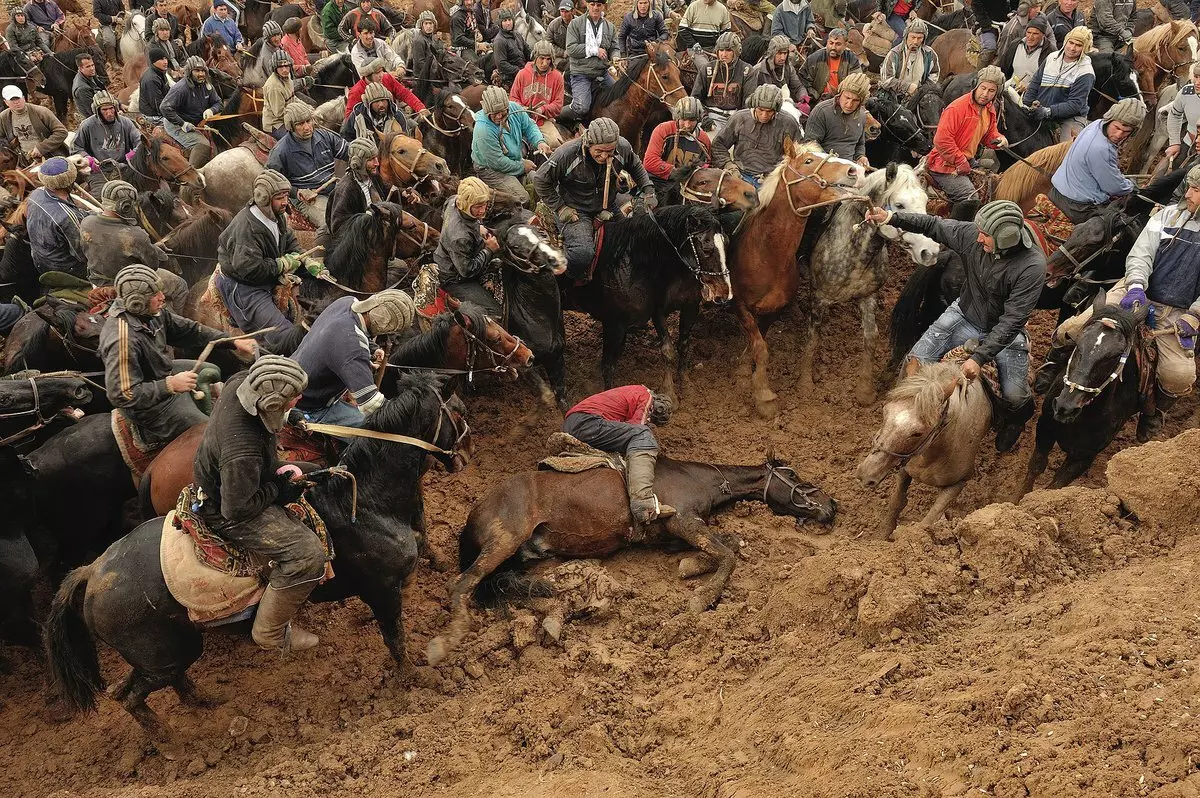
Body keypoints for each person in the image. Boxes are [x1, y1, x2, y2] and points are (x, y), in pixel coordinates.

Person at [1038, 165, 1200, 441]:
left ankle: (1152, 412)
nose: (1188, 194)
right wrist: (1136, 285)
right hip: (1136, 290)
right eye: (1190, 187)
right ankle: (1052, 365)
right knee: (1073, 327)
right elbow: (1141, 254)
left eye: (1196, 190)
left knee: (1179, 376)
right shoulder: (1166, 216)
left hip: (1177, 311)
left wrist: (1195, 314)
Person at [864, 199, 1044, 442]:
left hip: (1004, 333)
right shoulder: (973, 236)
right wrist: (890, 217)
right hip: (963, 314)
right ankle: (904, 417)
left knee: (1015, 397)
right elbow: (934, 225)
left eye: (986, 235)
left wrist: (979, 357)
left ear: (1007, 239)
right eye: (979, 232)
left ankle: (1012, 425)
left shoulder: (1032, 267)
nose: (979, 239)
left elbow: (1013, 320)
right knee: (913, 363)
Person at [192, 355, 324, 653]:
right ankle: (270, 632)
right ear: (272, 402)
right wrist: (279, 488)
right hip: (226, 506)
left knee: (316, 469)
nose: (299, 399)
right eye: (293, 398)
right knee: (307, 554)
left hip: (246, 470)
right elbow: (235, 508)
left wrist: (291, 416)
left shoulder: (242, 382)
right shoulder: (243, 450)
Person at [99, 264, 252, 449]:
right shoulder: (121, 340)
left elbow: (190, 330)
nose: (163, 297)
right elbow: (123, 394)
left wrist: (232, 341)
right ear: (137, 302)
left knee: (211, 370)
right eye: (156, 295)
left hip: (162, 373)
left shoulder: (151, 313)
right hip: (151, 406)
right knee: (212, 434)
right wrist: (170, 385)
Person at [532, 117, 657, 281]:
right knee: (582, 254)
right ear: (588, 143)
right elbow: (540, 179)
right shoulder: (567, 154)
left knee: (634, 239)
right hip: (575, 209)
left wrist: (648, 190)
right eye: (599, 151)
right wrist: (560, 207)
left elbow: (636, 166)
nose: (604, 156)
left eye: (610, 151)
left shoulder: (622, 147)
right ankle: (567, 284)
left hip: (607, 206)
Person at [215, 169, 317, 355]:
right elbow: (248, 269)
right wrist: (282, 265)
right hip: (244, 287)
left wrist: (307, 260)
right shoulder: (247, 227)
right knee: (282, 335)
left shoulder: (276, 216)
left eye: (286, 196)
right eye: (279, 197)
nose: (285, 202)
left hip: (266, 277)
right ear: (263, 198)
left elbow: (290, 241)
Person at [292, 291, 417, 427]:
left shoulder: (346, 302)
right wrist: (404, 419)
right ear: (384, 324)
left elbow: (353, 330)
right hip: (308, 405)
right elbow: (371, 404)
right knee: (373, 433)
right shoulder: (353, 348)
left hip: (294, 374)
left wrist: (373, 349)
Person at [562, 384, 676, 529]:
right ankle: (643, 502)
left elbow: (625, 427)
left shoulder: (633, 391)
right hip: (588, 422)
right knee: (643, 435)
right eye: (651, 418)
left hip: (575, 422)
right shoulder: (646, 398)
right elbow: (638, 426)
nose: (649, 420)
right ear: (655, 408)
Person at [1047, 97, 1144, 223]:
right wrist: (1131, 186)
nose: (1119, 135)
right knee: (1122, 225)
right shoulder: (1101, 148)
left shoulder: (1095, 124)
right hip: (1078, 208)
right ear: (1110, 119)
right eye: (1117, 128)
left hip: (1057, 192)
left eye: (1126, 132)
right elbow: (1114, 187)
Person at [926, 66, 1009, 208]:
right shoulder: (957, 108)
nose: (985, 94)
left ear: (997, 93)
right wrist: (959, 161)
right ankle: (955, 228)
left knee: (994, 188)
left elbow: (989, 134)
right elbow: (941, 140)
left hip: (968, 160)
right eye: (983, 88)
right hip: (944, 164)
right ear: (976, 85)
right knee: (969, 198)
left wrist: (1000, 139)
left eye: (991, 91)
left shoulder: (989, 109)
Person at [267, 102, 350, 234]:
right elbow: (271, 182)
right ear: (291, 127)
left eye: (308, 121)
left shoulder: (325, 136)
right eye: (300, 124)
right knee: (333, 221)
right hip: (309, 199)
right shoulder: (281, 151)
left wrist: (361, 152)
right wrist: (297, 192)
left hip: (334, 189)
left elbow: (348, 151)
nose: (307, 127)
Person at [471, 85, 552, 207]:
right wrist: (521, 166)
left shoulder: (514, 108)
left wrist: (539, 141)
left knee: (541, 184)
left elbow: (529, 125)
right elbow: (497, 162)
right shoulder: (483, 130)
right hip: (491, 169)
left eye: (502, 112)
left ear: (507, 107)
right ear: (486, 110)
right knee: (521, 199)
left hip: (514, 159)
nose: (499, 116)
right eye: (494, 113)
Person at [433, 177, 503, 315]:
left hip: (456, 254)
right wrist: (489, 250)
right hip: (454, 278)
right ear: (465, 204)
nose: (483, 211)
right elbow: (467, 270)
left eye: (485, 204)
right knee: (495, 312)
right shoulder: (459, 237)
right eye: (478, 207)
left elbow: (445, 211)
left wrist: (478, 226)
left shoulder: (454, 200)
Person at [710, 84, 801, 189]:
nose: (764, 115)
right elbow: (718, 145)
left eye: (769, 111)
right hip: (741, 175)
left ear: (776, 109)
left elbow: (798, 154)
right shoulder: (740, 118)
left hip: (772, 179)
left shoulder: (788, 123)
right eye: (760, 110)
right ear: (753, 105)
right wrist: (729, 165)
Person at [79, 181, 171, 284]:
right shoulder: (137, 236)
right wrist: (149, 249)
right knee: (180, 285)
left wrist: (153, 247)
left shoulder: (86, 222)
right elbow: (153, 266)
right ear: (125, 206)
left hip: (97, 279)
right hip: (127, 283)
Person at [1022, 25, 1095, 143]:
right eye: (1071, 42)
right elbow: (1035, 82)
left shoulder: (1086, 71)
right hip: (1041, 109)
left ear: (1085, 48)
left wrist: (1048, 111)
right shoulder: (1051, 58)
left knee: (1064, 150)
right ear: (1066, 42)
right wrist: (1026, 105)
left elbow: (1075, 104)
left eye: (1078, 45)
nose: (1072, 48)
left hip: (1070, 118)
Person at [160, 55, 221, 186]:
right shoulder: (180, 88)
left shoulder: (207, 85)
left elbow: (218, 103)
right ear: (189, 72)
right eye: (197, 71)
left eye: (203, 70)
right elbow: (164, 108)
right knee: (203, 144)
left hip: (197, 122)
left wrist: (211, 110)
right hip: (176, 124)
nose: (201, 74)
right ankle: (190, 179)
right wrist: (182, 123)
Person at [26, 157, 89, 280]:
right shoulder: (66, 217)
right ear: (71, 177)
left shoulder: (35, 194)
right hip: (64, 268)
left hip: (40, 259)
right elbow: (82, 254)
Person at [644, 95, 713, 199]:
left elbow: (708, 164)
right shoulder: (663, 130)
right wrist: (680, 173)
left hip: (688, 186)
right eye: (683, 119)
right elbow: (650, 162)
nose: (687, 125)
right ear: (676, 117)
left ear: (698, 120)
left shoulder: (704, 140)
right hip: (659, 182)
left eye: (692, 120)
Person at [71, 91, 140, 191]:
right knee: (101, 195)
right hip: (99, 170)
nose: (109, 113)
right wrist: (88, 159)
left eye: (111, 108)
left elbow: (140, 142)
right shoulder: (87, 126)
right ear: (97, 111)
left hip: (124, 166)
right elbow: (76, 147)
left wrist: (133, 154)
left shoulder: (126, 123)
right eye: (104, 110)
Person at [563, 0, 617, 124]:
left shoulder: (610, 27)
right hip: (581, 73)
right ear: (587, 5)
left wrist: (616, 57)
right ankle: (558, 116)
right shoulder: (575, 24)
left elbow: (615, 47)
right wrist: (594, 50)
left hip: (602, 72)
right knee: (582, 107)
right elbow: (571, 49)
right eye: (592, 4)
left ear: (603, 6)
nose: (595, 8)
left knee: (620, 96)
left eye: (599, 5)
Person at [802, 71, 870, 167]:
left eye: (855, 100)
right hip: (823, 167)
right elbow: (810, 144)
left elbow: (860, 143)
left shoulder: (861, 116)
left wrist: (860, 156)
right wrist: (831, 162)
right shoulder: (822, 111)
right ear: (840, 93)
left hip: (850, 167)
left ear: (861, 102)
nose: (849, 104)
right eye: (847, 97)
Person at [691, 31, 751, 135]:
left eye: (728, 50)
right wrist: (704, 118)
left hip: (736, 118)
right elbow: (695, 98)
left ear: (737, 51)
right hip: (711, 117)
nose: (723, 54)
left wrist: (741, 121)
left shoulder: (747, 70)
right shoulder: (707, 69)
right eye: (721, 50)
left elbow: (749, 101)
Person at [326, 137, 385, 235]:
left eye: (376, 157)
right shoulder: (346, 190)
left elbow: (385, 188)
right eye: (371, 159)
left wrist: (402, 193)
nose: (377, 163)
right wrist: (366, 219)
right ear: (357, 162)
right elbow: (338, 226)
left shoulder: (373, 176)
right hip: (361, 237)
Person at [343, 57, 427, 122]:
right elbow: (350, 116)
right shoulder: (356, 91)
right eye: (377, 73)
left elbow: (405, 94)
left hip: (394, 117)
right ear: (368, 75)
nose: (381, 75)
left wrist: (420, 108)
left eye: (381, 71)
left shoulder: (387, 78)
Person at [510, 39, 566, 136]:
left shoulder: (557, 77)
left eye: (548, 59)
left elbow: (558, 104)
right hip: (522, 119)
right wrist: (523, 108)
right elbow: (513, 98)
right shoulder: (522, 74)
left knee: (554, 143)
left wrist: (542, 109)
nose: (545, 63)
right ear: (535, 57)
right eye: (542, 58)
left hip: (543, 120)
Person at [0, 84, 67, 164]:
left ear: (23, 98)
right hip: (22, 161)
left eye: (18, 98)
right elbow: (1, 138)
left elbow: (62, 132)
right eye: (12, 100)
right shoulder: (4, 117)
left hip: (50, 156)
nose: (16, 102)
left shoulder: (41, 112)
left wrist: (42, 148)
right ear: (6, 102)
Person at [744, 35, 810, 113]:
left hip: (786, 106)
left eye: (785, 53)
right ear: (772, 53)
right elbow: (749, 98)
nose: (783, 57)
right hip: (765, 110)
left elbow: (798, 87)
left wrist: (803, 97)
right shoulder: (757, 70)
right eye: (779, 53)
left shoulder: (788, 68)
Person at [879, 18, 939, 96]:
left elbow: (934, 74)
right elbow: (886, 80)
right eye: (913, 37)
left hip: (919, 95)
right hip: (895, 95)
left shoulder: (929, 54)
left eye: (919, 38)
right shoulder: (894, 54)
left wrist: (922, 90)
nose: (915, 41)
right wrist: (907, 87)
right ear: (906, 36)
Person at [262, 51, 314, 138]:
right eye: (280, 67)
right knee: (297, 139)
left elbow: (293, 98)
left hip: (289, 114)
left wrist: (307, 107)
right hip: (276, 124)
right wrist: (301, 114)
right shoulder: (274, 87)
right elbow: (279, 113)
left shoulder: (287, 76)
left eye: (286, 66)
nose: (284, 69)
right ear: (275, 68)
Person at [804, 28, 863, 102]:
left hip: (844, 101)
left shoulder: (851, 58)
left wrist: (841, 96)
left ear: (845, 45)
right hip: (818, 101)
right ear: (827, 42)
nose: (833, 47)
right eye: (831, 43)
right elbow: (803, 81)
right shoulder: (814, 58)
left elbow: (858, 82)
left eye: (838, 44)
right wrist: (816, 96)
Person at [341, 81, 411, 141]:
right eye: (376, 102)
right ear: (368, 104)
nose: (381, 104)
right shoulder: (357, 116)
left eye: (384, 100)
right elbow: (346, 138)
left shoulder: (397, 116)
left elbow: (405, 140)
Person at [999, 15, 1052, 93]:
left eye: (1035, 34)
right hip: (1010, 90)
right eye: (1028, 32)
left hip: (1032, 94)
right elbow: (1003, 67)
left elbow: (1049, 81)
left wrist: (1030, 87)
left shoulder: (1050, 51)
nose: (1030, 37)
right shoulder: (1015, 44)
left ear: (1043, 35)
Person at [409, 10, 451, 107]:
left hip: (435, 74)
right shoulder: (418, 40)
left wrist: (440, 43)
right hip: (423, 78)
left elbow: (439, 53)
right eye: (426, 23)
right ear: (421, 25)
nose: (428, 26)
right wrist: (437, 72)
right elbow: (420, 63)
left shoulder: (432, 37)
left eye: (430, 23)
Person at [1165, 62, 1200, 169]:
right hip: (1189, 143)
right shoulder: (1186, 92)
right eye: (1196, 77)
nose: (1197, 83)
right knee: (1163, 174)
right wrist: (1174, 143)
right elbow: (1175, 115)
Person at [493, 8, 531, 89]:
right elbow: (501, 64)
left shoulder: (517, 35)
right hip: (509, 78)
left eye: (509, 20)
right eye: (505, 21)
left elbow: (527, 50)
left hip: (524, 70)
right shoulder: (499, 41)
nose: (508, 23)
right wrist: (519, 71)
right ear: (500, 23)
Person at [138, 45, 173, 126]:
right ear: (153, 61)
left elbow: (169, 92)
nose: (165, 62)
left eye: (165, 58)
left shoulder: (161, 71)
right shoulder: (151, 80)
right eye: (161, 59)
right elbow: (157, 105)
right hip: (153, 116)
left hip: (161, 109)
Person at [71, 53, 108, 121]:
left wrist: (119, 104)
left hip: (102, 107)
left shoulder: (90, 74)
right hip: (95, 121)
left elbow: (102, 91)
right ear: (80, 69)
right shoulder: (82, 89)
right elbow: (93, 112)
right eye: (88, 66)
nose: (92, 68)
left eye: (92, 65)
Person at [547, 0, 575, 76]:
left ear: (573, 11)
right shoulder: (553, 25)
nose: (564, 14)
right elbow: (549, 44)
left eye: (566, 11)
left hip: (576, 56)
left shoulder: (580, 23)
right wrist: (563, 52)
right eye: (562, 11)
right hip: (559, 58)